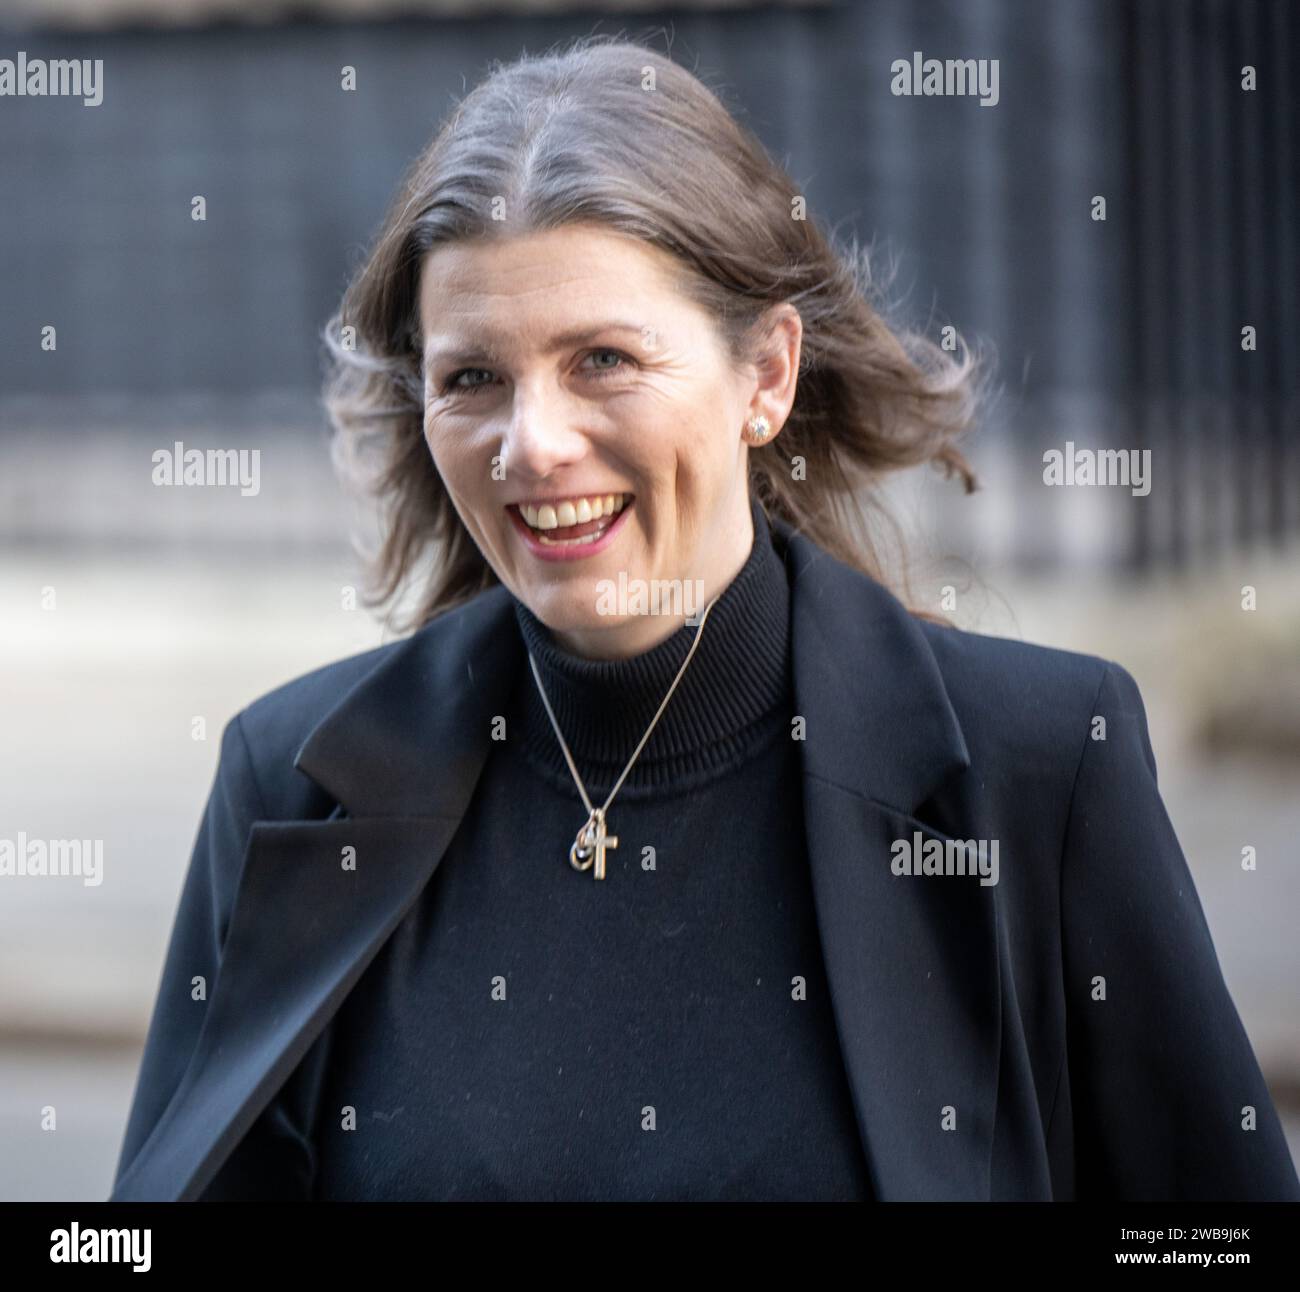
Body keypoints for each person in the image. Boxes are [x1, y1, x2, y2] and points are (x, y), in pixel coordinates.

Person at [109, 35, 1299, 1202]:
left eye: (604, 359)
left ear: (765, 375)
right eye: (473, 376)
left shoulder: (1037, 767)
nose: (533, 443)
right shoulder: (294, 786)